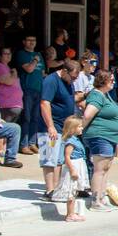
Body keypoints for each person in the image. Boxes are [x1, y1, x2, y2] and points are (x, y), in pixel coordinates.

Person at [79, 69, 118, 213]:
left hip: (109, 137)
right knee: (99, 169)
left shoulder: (105, 95)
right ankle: (95, 201)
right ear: (103, 81)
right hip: (100, 136)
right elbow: (87, 114)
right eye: (112, 80)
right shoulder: (97, 95)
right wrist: (79, 128)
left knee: (106, 168)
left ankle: (102, 198)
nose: (114, 82)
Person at [39, 59, 80, 199]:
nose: (74, 80)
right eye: (73, 77)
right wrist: (50, 126)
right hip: (51, 127)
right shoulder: (51, 81)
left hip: (63, 127)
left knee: (58, 160)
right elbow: (45, 103)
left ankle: (56, 189)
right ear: (64, 71)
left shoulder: (68, 82)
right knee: (49, 158)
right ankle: (50, 190)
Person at [13, 36, 45, 154]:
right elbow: (29, 69)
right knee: (26, 117)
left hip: (39, 89)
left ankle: (32, 143)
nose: (32, 42)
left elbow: (42, 72)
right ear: (24, 42)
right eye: (29, 40)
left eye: (34, 40)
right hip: (27, 89)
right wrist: (35, 60)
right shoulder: (22, 54)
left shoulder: (39, 54)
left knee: (35, 117)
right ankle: (23, 144)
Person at [56, 115, 90, 222]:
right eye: (79, 127)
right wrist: (72, 170)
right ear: (72, 128)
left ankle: (71, 212)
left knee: (74, 191)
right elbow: (67, 156)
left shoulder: (76, 139)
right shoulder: (70, 142)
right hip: (73, 166)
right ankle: (70, 215)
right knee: (71, 191)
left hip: (78, 164)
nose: (82, 128)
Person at [0, 47, 24, 127]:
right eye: (5, 54)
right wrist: (15, 74)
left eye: (9, 53)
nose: (8, 55)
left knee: (9, 132)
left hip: (15, 105)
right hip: (5, 105)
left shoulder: (8, 67)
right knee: (3, 131)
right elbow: (9, 81)